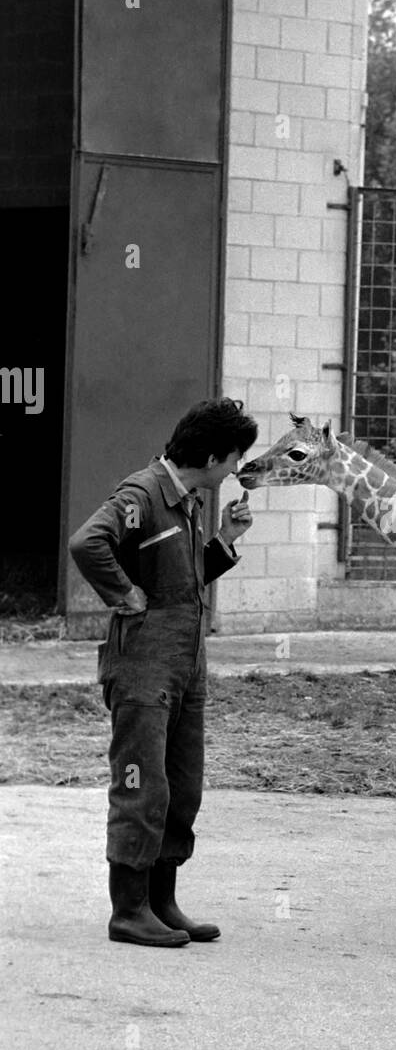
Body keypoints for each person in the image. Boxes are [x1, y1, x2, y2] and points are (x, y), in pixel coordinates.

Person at [69, 398, 258, 948]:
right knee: (141, 785)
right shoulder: (143, 493)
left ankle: (162, 901)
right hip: (144, 670)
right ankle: (128, 911)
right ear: (214, 454)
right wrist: (123, 594)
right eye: (234, 458)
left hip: (185, 667)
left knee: (181, 787)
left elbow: (184, 576)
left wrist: (224, 540)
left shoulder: (188, 499)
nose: (235, 470)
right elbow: (87, 542)